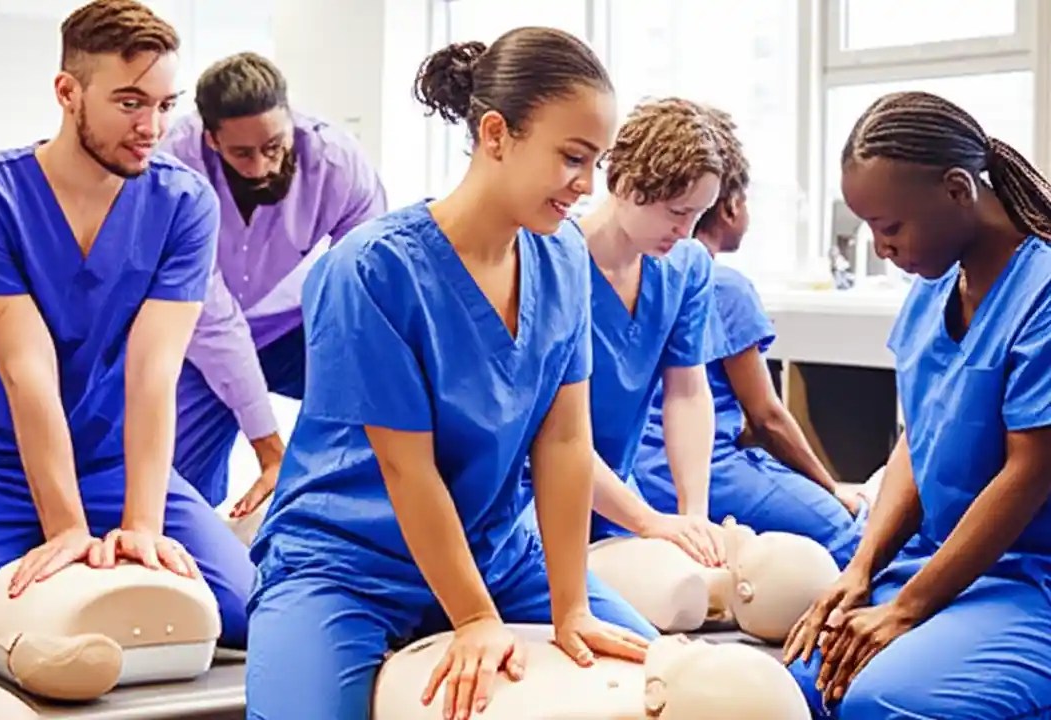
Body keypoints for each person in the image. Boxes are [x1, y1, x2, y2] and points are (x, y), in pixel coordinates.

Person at [245, 28, 654, 720]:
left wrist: (571, 606)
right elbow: (409, 471)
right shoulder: (372, 270)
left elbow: (562, 444)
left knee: (677, 688)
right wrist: (472, 619)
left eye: (597, 163)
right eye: (573, 158)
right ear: (497, 133)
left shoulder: (563, 263)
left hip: (499, 555)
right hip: (348, 562)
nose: (588, 186)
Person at [0, 0, 254, 663]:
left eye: (164, 103)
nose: (151, 126)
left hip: (116, 466)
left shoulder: (184, 204)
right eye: (129, 102)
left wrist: (142, 527)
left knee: (240, 612)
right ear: (68, 92)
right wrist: (65, 530)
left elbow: (155, 374)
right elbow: (26, 370)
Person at [783, 91, 1051, 720]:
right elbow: (918, 438)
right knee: (804, 679)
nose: (879, 248)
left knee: (882, 701)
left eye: (890, 226)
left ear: (959, 190)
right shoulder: (935, 286)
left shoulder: (1041, 292)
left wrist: (907, 608)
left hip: (1035, 578)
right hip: (946, 561)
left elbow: (1030, 473)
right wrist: (863, 566)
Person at [631, 105, 865, 567]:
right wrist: (833, 491)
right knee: (852, 535)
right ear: (732, 205)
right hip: (704, 470)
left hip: (641, 475)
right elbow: (767, 419)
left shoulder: (645, 273)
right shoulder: (724, 285)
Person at [160, 52, 387, 513]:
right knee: (173, 489)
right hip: (195, 335)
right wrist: (270, 452)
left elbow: (367, 292)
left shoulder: (339, 165)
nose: (262, 166)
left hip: (291, 327)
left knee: (389, 387)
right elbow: (213, 319)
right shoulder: (170, 168)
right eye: (242, 153)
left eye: (274, 146)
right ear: (211, 139)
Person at [565, 97, 725, 565]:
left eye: (699, 215)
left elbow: (688, 393)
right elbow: (548, 431)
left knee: (691, 583)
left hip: (616, 484)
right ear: (626, 183)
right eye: (677, 211)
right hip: (540, 488)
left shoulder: (686, 266)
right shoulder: (552, 259)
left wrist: (694, 515)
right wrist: (648, 521)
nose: (686, 231)